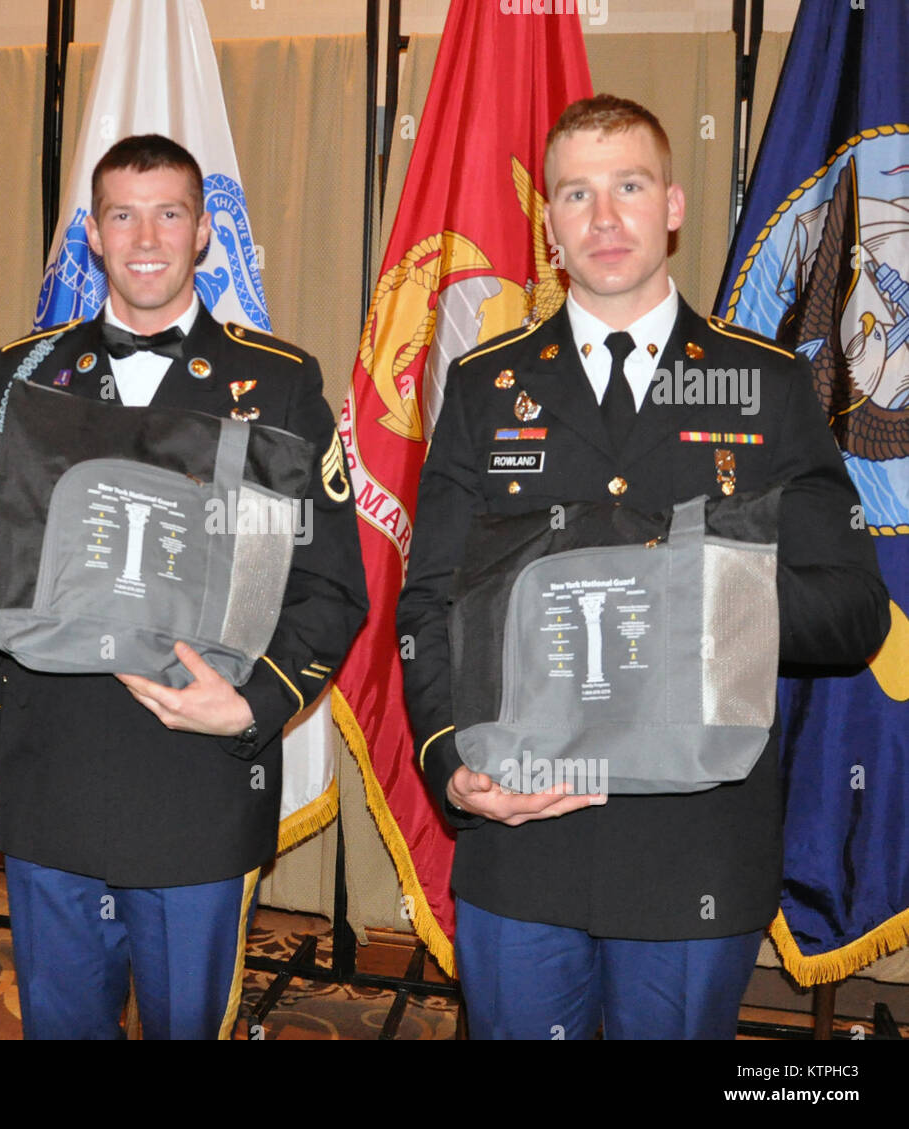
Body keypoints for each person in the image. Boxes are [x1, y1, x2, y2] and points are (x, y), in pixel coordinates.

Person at [397, 95, 890, 1040]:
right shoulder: (483, 384)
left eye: (628, 187)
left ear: (671, 204)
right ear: (550, 227)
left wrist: (697, 596)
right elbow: (429, 600)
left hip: (693, 847)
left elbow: (853, 609)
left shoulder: (768, 383)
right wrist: (453, 762)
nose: (604, 218)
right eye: (576, 195)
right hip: (522, 831)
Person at [0, 134, 367, 1040]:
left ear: (204, 231)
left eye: (169, 212)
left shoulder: (280, 383)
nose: (146, 236)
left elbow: (329, 586)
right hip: (48, 771)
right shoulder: (20, 376)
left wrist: (253, 705)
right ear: (90, 235)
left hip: (196, 785)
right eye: (122, 214)